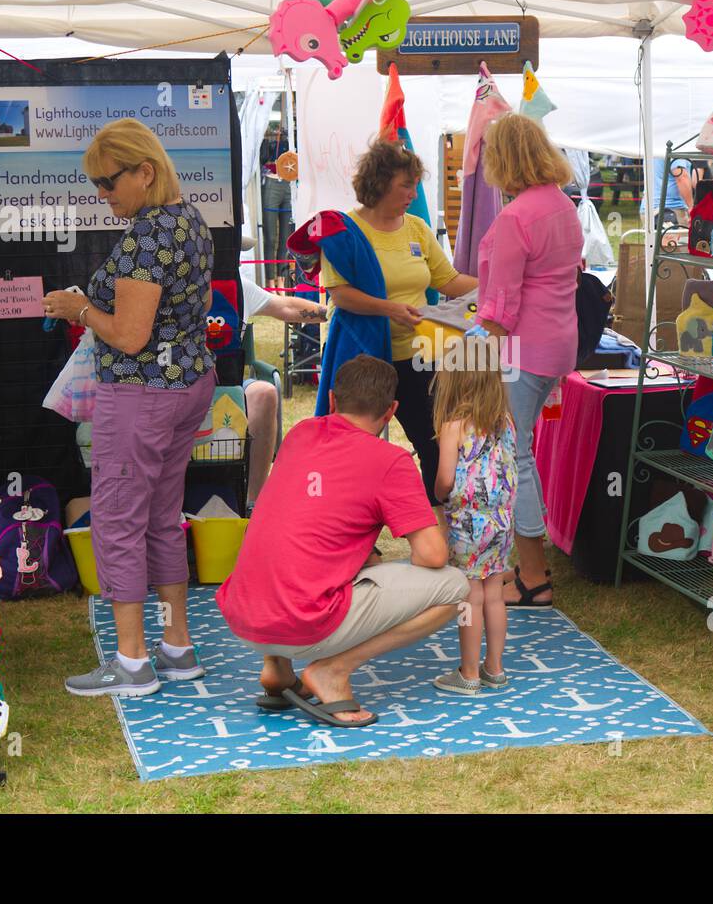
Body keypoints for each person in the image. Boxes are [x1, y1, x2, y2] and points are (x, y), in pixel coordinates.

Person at [43, 119, 216, 696]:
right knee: (163, 518)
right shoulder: (189, 221)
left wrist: (78, 309)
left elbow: (130, 336)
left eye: (108, 181)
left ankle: (133, 661)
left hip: (141, 393)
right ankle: (176, 646)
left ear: (145, 170)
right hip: (187, 385)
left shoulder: (146, 237)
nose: (102, 194)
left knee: (118, 519)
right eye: (95, 183)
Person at [216, 355, 469, 726]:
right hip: (303, 622)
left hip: (244, 614)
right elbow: (432, 555)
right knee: (456, 587)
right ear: (391, 411)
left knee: (301, 546)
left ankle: (276, 667)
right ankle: (333, 670)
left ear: (332, 400)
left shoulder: (301, 433)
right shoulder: (391, 460)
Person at [320, 141, 477, 503]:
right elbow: (340, 294)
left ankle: (439, 530)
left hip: (418, 355)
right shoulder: (344, 229)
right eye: (406, 185)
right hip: (364, 358)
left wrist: (498, 285)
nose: (412, 193)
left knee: (433, 443)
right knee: (353, 450)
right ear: (380, 182)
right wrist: (388, 309)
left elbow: (448, 281)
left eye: (415, 185)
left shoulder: (418, 229)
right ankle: (350, 531)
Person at [473, 113, 584, 608]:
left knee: (513, 458)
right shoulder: (561, 204)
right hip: (557, 343)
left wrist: (468, 347)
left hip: (522, 348)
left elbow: (500, 306)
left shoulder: (516, 217)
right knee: (523, 454)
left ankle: (534, 576)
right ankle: (530, 567)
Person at [431, 352, 517, 695]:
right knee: (495, 594)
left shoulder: (454, 426)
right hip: (501, 523)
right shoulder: (506, 422)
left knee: (470, 597)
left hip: (467, 525)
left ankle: (468, 672)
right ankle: (494, 668)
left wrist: (438, 494)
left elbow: (445, 480)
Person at [239, 272, 328, 506]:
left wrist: (333, 313)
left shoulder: (238, 283)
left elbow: (286, 306)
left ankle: (253, 501)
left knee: (265, 392)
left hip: (231, 386)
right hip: (181, 385)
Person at [260, 124, 293, 289]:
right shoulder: (269, 138)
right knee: (271, 237)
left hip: (289, 181)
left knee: (286, 237)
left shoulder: (293, 136)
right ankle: (270, 280)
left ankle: (282, 278)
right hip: (271, 180)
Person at [650, 156, 694, 236]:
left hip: (649, 207)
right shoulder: (676, 147)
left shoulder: (655, 146)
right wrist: (691, 206)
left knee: (652, 246)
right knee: (680, 247)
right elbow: (681, 177)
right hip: (671, 210)